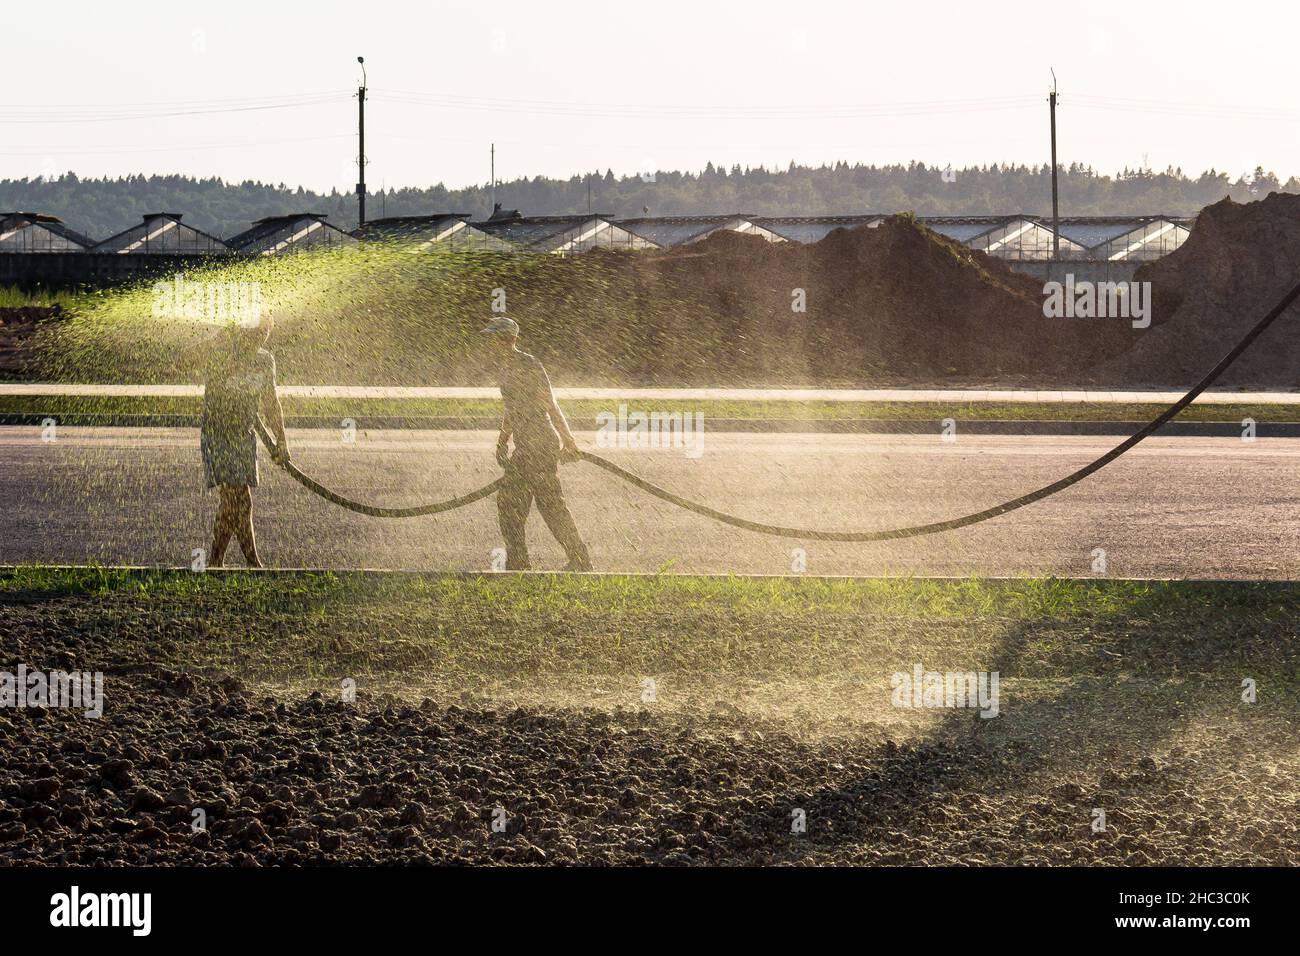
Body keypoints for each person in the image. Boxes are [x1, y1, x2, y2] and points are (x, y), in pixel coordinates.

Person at [482, 316, 592, 571]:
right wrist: (502, 441)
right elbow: (511, 409)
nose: (489, 343)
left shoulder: (529, 364)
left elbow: (549, 404)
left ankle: (576, 559)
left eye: (493, 338)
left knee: (547, 505)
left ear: (508, 340)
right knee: (514, 503)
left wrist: (568, 440)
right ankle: (522, 561)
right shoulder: (505, 368)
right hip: (526, 445)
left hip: (540, 443)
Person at [193, 316, 289, 568]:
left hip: (245, 437)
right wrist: (219, 338)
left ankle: (215, 562)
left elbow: (270, 402)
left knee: (235, 503)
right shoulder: (220, 353)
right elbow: (182, 361)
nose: (259, 337)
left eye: (264, 332)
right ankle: (252, 564)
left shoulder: (264, 360)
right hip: (218, 435)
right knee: (238, 498)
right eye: (255, 332)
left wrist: (282, 441)